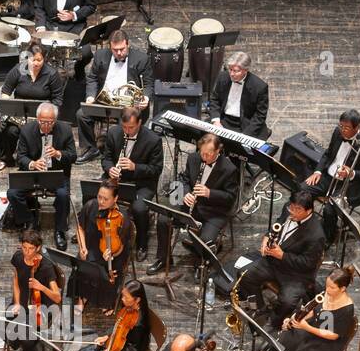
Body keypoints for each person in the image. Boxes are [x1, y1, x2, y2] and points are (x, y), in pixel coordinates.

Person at [231, 190, 326, 327]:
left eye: (297, 209)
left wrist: (282, 255)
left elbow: (308, 264)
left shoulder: (316, 235)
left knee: (287, 302)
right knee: (244, 275)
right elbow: (278, 223)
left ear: (309, 210)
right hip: (273, 262)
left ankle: (274, 324)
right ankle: (260, 310)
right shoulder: (289, 208)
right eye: (291, 207)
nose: (292, 211)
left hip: (296, 274)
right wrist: (266, 237)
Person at [265, 267, 357, 351]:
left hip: (328, 343)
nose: (328, 290)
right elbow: (313, 311)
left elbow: (333, 335)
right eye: (327, 286)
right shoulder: (326, 293)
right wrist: (294, 319)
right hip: (314, 328)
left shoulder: (347, 308)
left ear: (342, 288)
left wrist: (306, 327)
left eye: (332, 288)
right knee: (283, 340)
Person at [165, 132, 237, 272]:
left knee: (205, 240)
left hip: (214, 212)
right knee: (163, 220)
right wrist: (185, 194)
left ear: (218, 150)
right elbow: (183, 179)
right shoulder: (193, 158)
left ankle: (202, 265)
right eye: (202, 153)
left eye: (209, 154)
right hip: (192, 206)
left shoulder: (229, 169)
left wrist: (209, 193)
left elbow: (230, 198)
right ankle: (163, 258)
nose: (204, 157)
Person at [7, 101, 76, 247]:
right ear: (37, 119)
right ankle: (29, 221)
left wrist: (58, 154)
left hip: (56, 173)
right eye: (42, 122)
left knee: (63, 195)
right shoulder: (26, 130)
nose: (46, 126)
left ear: (55, 121)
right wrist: (33, 164)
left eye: (50, 123)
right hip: (33, 173)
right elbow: (20, 157)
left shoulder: (65, 130)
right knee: (12, 193)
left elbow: (73, 156)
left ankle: (60, 230)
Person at [100, 105, 163, 262]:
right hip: (117, 179)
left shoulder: (153, 140)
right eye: (125, 127)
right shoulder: (114, 133)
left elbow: (156, 169)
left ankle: (142, 242)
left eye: (131, 127)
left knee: (139, 208)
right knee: (93, 195)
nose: (127, 131)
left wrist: (136, 167)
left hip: (141, 183)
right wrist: (110, 169)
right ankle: (95, 233)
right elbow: (106, 158)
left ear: (140, 123)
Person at [76, 29, 150, 161]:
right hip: (104, 100)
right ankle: (91, 149)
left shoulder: (142, 59)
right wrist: (90, 96)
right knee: (82, 114)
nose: (119, 53)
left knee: (127, 121)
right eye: (115, 50)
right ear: (110, 46)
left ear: (128, 44)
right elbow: (92, 78)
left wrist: (146, 97)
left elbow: (149, 84)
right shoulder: (100, 55)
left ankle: (119, 154)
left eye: (122, 49)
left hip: (128, 104)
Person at [304, 109, 360, 243]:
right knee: (303, 190)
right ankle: (304, 225)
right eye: (341, 126)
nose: (343, 130)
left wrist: (351, 173)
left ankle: (327, 239)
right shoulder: (337, 132)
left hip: (348, 185)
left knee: (329, 211)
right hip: (327, 176)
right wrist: (317, 171)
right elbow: (327, 154)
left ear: (358, 127)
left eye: (347, 128)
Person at [0, 42, 65, 161]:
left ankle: (37, 158)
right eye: (32, 60)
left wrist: (48, 115)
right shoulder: (19, 69)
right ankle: (7, 158)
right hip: (19, 118)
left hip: (42, 119)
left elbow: (58, 100)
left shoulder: (52, 74)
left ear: (44, 59)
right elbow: (6, 91)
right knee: (10, 131)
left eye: (39, 60)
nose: (36, 63)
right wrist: (8, 108)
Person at [6, 230, 63, 351]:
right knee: (7, 320)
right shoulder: (18, 257)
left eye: (31, 249)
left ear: (38, 248)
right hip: (23, 300)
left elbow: (58, 298)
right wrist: (18, 303)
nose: (27, 252)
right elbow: (16, 281)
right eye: (24, 248)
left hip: (42, 306)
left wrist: (41, 286)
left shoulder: (46, 267)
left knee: (25, 335)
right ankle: (27, 344)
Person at [74, 181, 130, 311]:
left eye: (106, 199)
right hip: (91, 246)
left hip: (113, 252)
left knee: (110, 270)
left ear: (115, 199)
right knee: (83, 263)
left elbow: (121, 245)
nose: (101, 201)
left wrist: (112, 253)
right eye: (99, 197)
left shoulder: (122, 217)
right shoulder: (90, 206)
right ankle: (83, 296)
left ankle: (105, 301)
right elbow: (80, 228)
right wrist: (82, 246)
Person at [208, 52, 269, 137]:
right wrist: (216, 121)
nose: (232, 74)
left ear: (245, 70)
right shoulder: (222, 77)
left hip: (245, 124)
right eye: (230, 69)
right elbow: (214, 100)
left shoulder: (260, 87)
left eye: (236, 71)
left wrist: (245, 135)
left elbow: (260, 115)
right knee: (205, 140)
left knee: (241, 148)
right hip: (223, 119)